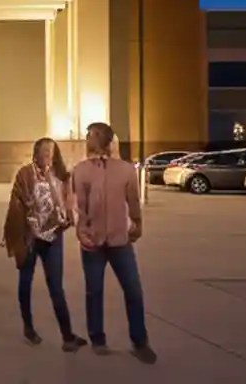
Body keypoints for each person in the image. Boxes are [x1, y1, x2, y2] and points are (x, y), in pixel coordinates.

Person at [71, 122, 157, 364]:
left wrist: (138, 224)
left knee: (133, 290)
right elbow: (81, 206)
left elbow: (133, 201)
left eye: (92, 135)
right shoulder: (81, 170)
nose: (88, 138)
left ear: (105, 139)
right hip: (93, 242)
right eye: (88, 135)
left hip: (120, 240)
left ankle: (140, 342)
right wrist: (81, 230)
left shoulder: (125, 170)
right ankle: (97, 338)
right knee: (94, 290)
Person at [1, 137, 87, 351]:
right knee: (26, 283)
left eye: (51, 152)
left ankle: (68, 336)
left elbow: (69, 203)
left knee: (56, 287)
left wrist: (68, 216)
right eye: (44, 152)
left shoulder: (60, 176)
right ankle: (28, 327)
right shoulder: (25, 174)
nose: (48, 156)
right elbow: (16, 205)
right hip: (30, 238)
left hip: (53, 238)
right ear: (35, 154)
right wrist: (19, 235)